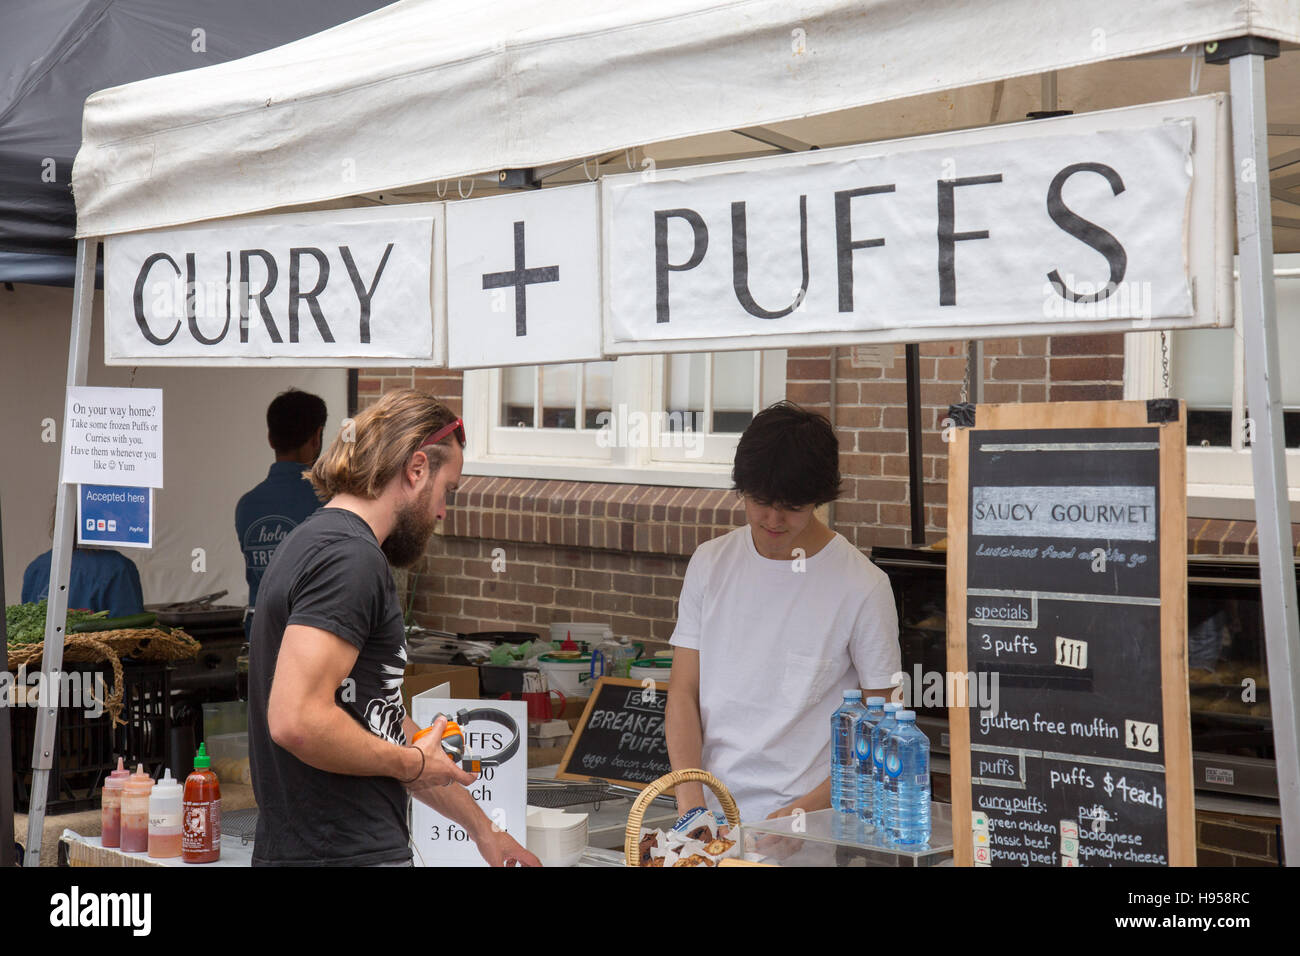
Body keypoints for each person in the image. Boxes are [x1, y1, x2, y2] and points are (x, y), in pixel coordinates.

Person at [247, 388, 539, 867]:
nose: (444, 512)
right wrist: (413, 763)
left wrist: (484, 831)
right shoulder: (350, 559)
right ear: (417, 468)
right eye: (449, 491)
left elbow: (375, 720)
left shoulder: (314, 541)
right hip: (341, 854)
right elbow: (295, 720)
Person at [666, 400, 901, 825]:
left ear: (819, 498)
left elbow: (884, 727)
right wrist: (691, 802)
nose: (773, 519)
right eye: (759, 501)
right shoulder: (709, 563)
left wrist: (803, 813)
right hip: (711, 820)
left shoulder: (863, 586)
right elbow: (683, 692)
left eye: (792, 506)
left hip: (812, 828)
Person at [235, 388, 329, 638]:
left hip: (258, 635)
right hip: (313, 637)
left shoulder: (247, 505)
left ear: (270, 439)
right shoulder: (330, 501)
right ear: (317, 437)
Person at [22, 504, 144, 616]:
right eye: (119, 513)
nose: (127, 520)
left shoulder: (37, 566)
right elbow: (130, 635)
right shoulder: (119, 569)